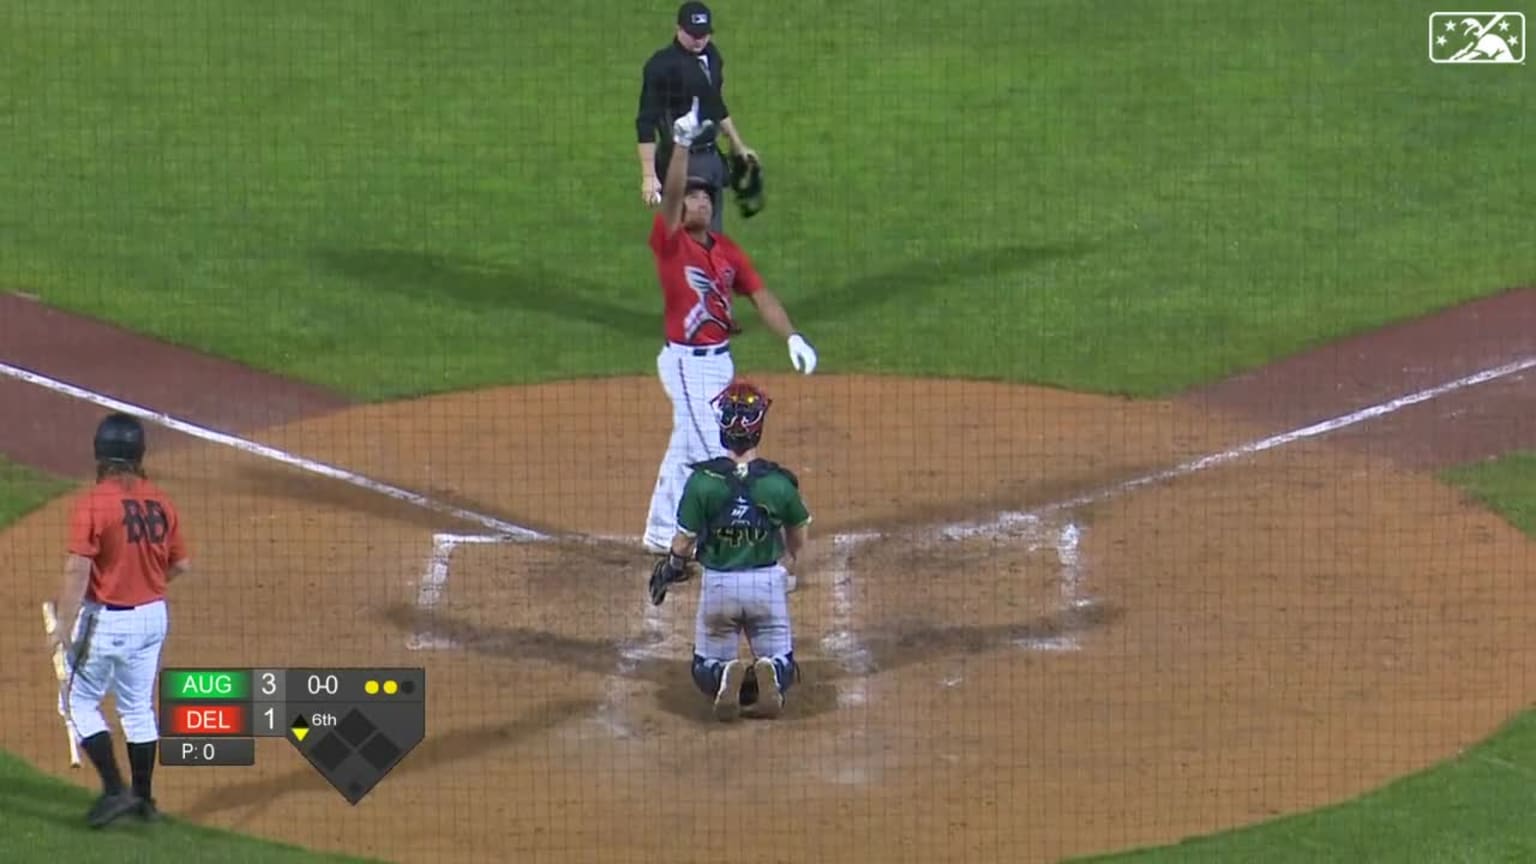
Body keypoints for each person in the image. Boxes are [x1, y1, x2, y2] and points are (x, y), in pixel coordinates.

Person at [640, 98, 818, 555]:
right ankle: (725, 540)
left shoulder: (728, 251)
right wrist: (680, 145)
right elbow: (672, 194)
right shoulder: (670, 243)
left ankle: (662, 530)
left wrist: (793, 336)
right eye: (691, 196)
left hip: (719, 361)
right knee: (713, 453)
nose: (697, 199)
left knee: (687, 442)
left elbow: (760, 295)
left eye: (704, 195)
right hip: (683, 361)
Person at [49, 413, 190, 828]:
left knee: (75, 702)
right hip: (153, 617)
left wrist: (63, 625)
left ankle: (115, 790)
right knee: (137, 708)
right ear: (138, 454)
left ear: (101, 454)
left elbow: (79, 570)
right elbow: (181, 564)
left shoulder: (94, 502)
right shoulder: (161, 500)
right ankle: (145, 800)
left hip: (108, 621)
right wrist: (145, 581)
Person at [648, 380, 809, 721]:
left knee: (703, 667)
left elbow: (683, 542)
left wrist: (672, 567)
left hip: (718, 587)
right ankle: (769, 670)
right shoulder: (779, 482)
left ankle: (723, 675)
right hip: (766, 585)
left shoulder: (703, 482)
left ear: (723, 429)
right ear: (758, 429)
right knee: (784, 663)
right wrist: (787, 563)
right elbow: (798, 537)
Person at [635, 1, 758, 233]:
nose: (699, 40)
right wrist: (649, 176)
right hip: (680, 161)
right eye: (693, 35)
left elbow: (716, 104)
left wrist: (738, 146)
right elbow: (645, 122)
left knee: (713, 236)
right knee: (692, 237)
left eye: (704, 34)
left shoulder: (712, 56)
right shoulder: (661, 65)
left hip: (710, 157)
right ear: (678, 29)